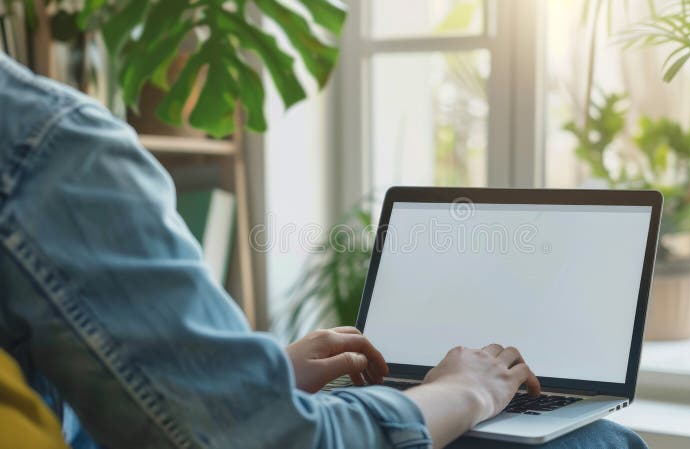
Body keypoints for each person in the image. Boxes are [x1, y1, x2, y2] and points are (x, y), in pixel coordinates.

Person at [0, 52, 647, 449]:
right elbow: (281, 441)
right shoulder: (49, 148)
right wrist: (465, 391)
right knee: (597, 440)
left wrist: (253, 377)